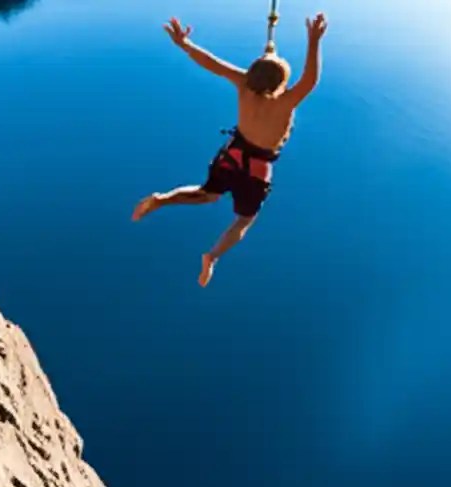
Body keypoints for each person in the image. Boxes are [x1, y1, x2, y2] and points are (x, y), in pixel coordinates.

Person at [132, 12, 329, 287]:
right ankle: (212, 257)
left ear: (252, 75)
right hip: (256, 166)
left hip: (232, 155)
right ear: (280, 84)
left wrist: (185, 44)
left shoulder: (243, 85)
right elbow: (310, 79)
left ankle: (161, 199)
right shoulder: (285, 101)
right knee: (245, 219)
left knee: (207, 194)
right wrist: (313, 41)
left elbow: (212, 63)